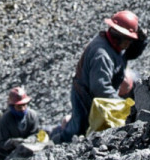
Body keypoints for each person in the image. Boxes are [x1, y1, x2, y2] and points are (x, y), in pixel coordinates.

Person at [56, 11, 142, 143]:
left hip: (93, 93)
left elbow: (131, 53)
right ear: (119, 36)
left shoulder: (113, 44)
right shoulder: (102, 55)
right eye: (128, 40)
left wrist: (142, 40)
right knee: (78, 128)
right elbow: (100, 88)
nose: (129, 43)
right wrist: (122, 105)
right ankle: (57, 141)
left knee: (91, 126)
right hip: (85, 95)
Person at [0, 87, 40, 160]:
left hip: (29, 149)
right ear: (12, 106)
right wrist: (13, 142)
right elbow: (1, 143)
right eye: (19, 106)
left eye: (24, 105)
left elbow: (36, 134)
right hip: (7, 154)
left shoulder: (32, 116)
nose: (23, 109)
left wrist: (30, 140)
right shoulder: (5, 120)